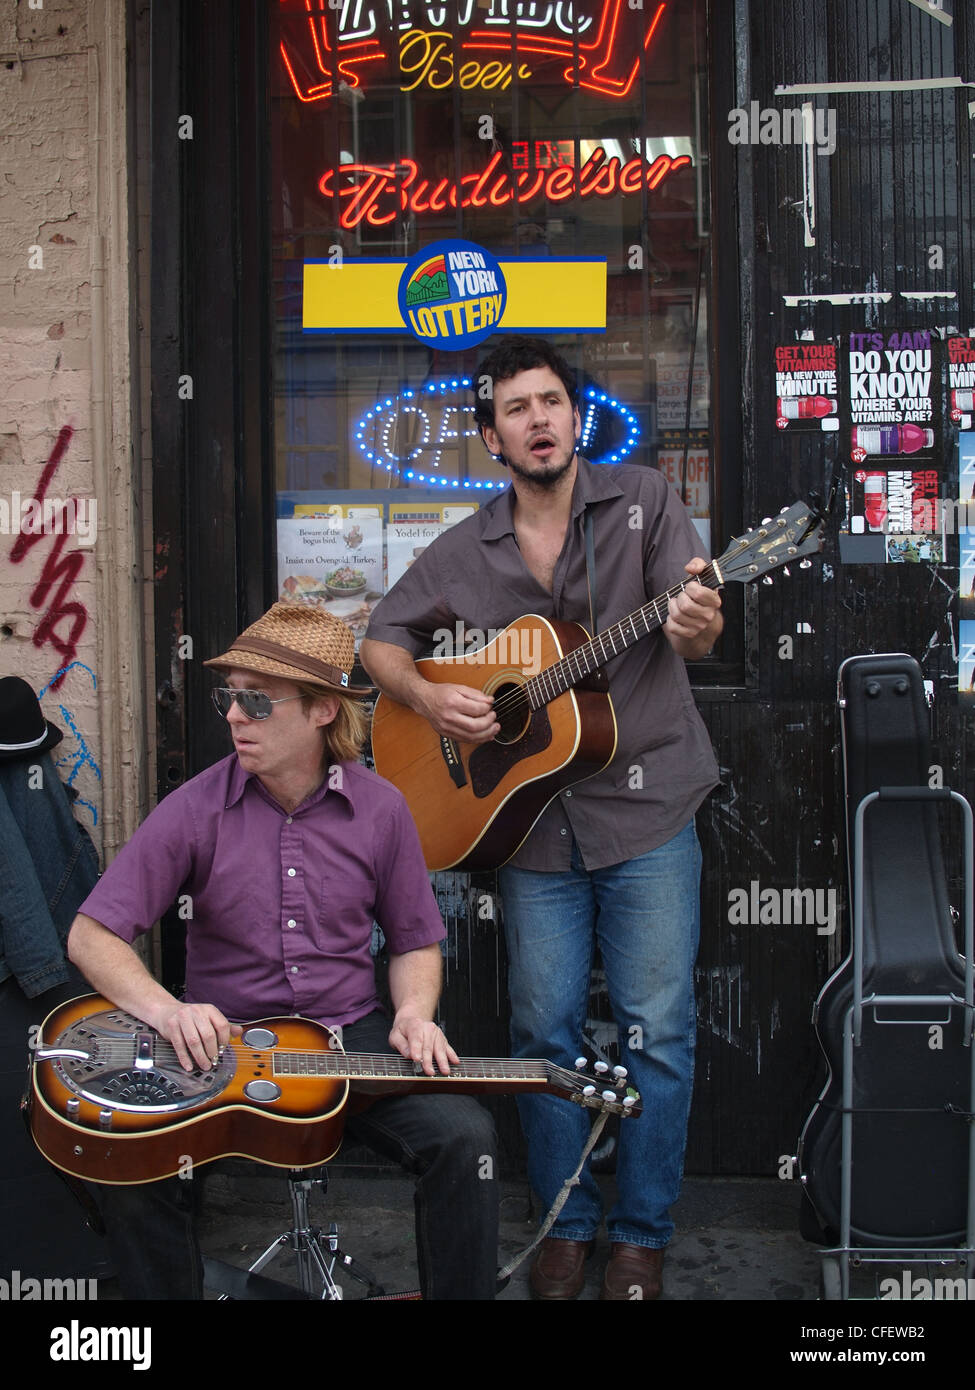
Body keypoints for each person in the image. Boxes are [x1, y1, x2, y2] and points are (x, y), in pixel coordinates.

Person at [360, 336, 722, 1300]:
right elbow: (380, 640)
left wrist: (698, 622)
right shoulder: (463, 548)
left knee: (657, 1030)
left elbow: (702, 617)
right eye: (516, 408)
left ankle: (640, 1235)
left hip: (647, 812)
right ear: (492, 439)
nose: (539, 420)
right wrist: (432, 701)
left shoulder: (643, 501)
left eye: (552, 401)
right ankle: (565, 1226)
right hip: (527, 832)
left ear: (575, 417)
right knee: (544, 1033)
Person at [66, 602, 498, 1300]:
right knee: (132, 1166)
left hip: (347, 1035)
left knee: (463, 1138)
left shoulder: (382, 809)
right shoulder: (195, 807)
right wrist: (167, 1011)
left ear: (324, 711)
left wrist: (415, 1013)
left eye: (255, 701)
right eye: (227, 698)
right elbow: (91, 934)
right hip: (219, 1045)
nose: (234, 716)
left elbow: (416, 940)